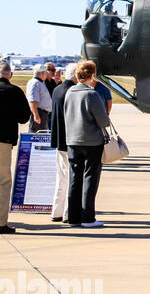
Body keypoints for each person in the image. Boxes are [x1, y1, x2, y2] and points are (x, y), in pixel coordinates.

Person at [63, 60, 111, 229]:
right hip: (91, 141)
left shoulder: (70, 92)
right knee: (90, 178)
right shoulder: (91, 94)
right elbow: (103, 120)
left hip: (72, 141)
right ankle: (88, 217)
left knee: (74, 178)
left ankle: (73, 216)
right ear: (92, 75)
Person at [0, 62, 33, 234]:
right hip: (3, 141)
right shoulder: (15, 92)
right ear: (10, 75)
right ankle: (0, 222)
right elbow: (24, 118)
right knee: (3, 182)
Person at [47, 64, 78, 223]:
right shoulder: (72, 91)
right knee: (71, 178)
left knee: (61, 178)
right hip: (70, 140)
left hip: (58, 139)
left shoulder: (58, 89)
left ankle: (56, 211)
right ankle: (68, 213)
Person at [25, 66, 52, 132]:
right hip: (39, 113)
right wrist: (36, 115)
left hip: (43, 114)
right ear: (43, 73)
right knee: (36, 135)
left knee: (41, 134)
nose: (47, 74)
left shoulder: (40, 82)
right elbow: (33, 100)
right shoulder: (35, 83)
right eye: (46, 73)